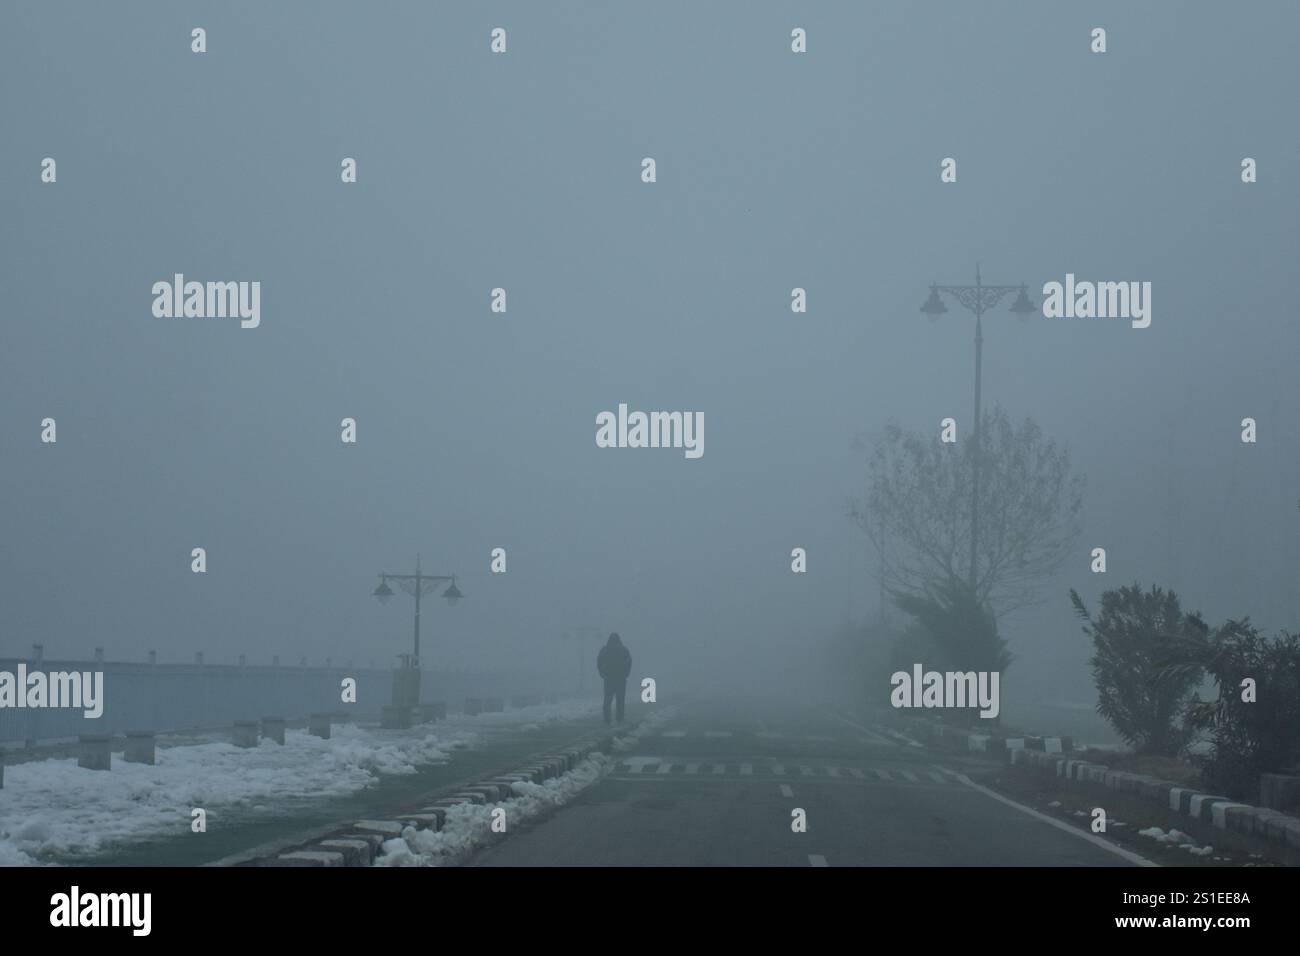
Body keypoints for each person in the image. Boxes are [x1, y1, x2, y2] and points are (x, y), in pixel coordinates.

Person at [596, 632, 632, 725]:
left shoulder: (605, 650)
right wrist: (625, 674)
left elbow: (599, 662)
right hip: (620, 679)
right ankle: (619, 719)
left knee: (607, 700)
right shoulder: (624, 650)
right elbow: (628, 663)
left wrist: (602, 674)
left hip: (609, 679)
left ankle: (607, 719)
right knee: (620, 700)